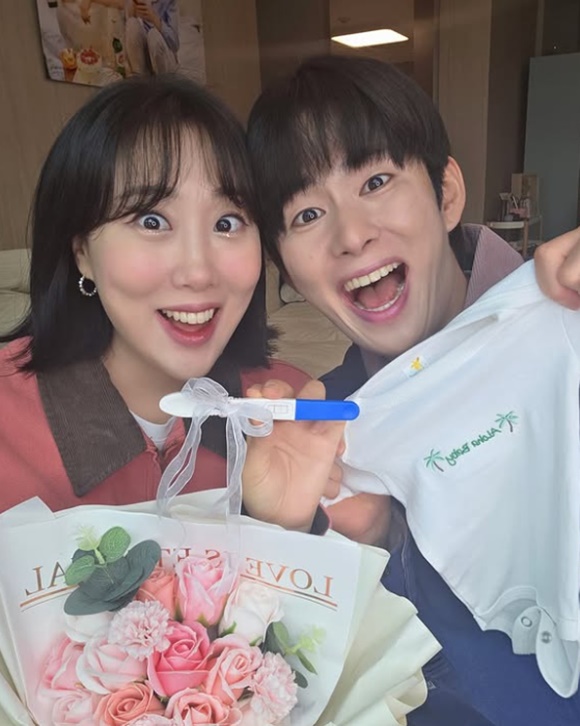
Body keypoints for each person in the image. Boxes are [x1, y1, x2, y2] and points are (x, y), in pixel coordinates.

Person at [247, 54, 580, 725]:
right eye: (307, 214)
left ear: (446, 193)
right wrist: (290, 534)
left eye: (376, 181)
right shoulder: (330, 427)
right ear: (283, 266)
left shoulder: (566, 311)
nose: (352, 235)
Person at [0, 74, 344, 537]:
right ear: (82, 251)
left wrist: (288, 529)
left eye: (227, 223)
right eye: (151, 221)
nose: (198, 272)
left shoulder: (288, 411)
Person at [125, 0, 179, 75]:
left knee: (153, 35)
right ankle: (138, 77)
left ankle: (162, 80)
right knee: (132, 24)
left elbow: (175, 44)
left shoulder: (169, 2)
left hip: (163, 57)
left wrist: (154, 18)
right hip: (145, 61)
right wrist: (132, 11)